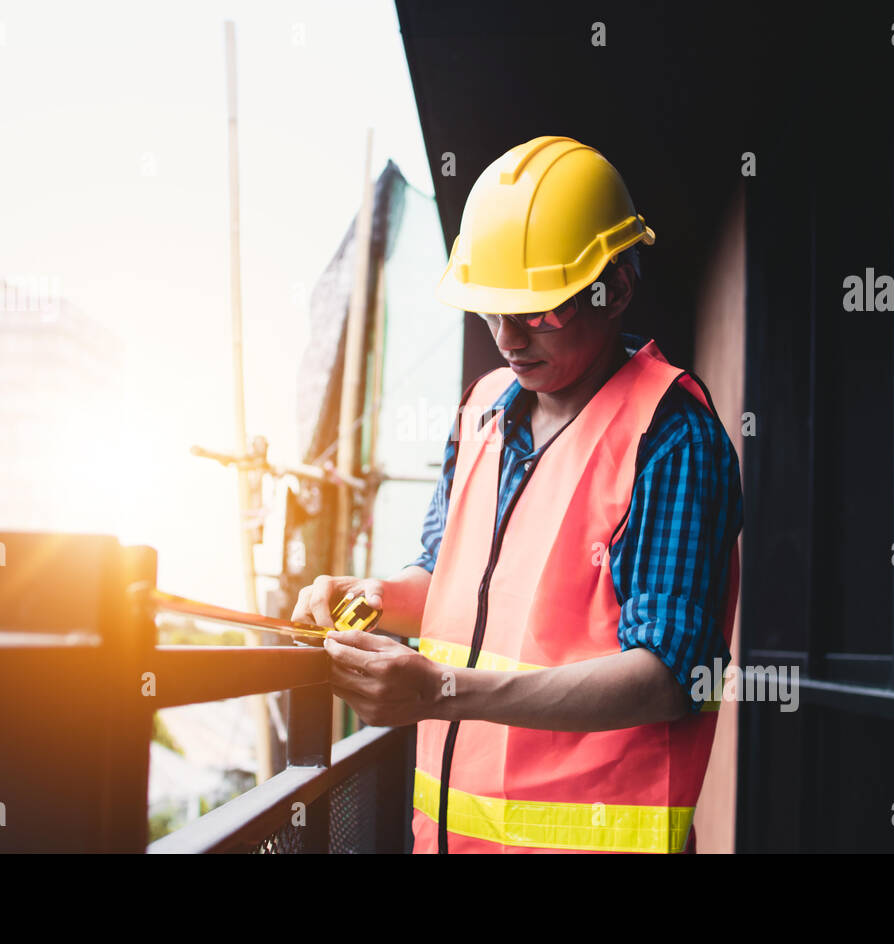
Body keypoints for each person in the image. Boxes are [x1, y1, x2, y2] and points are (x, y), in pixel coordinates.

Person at [292, 136, 743, 854]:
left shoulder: (673, 435)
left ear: (615, 289)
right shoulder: (482, 409)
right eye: (490, 310)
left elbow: (668, 676)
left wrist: (441, 689)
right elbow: (449, 580)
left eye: (538, 310)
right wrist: (372, 594)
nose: (508, 337)